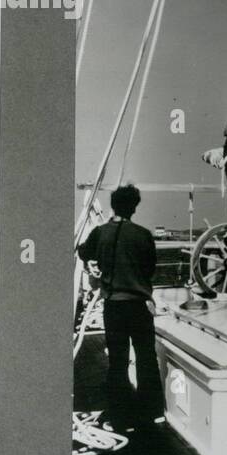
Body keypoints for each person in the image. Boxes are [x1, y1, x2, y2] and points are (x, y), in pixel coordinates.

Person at [77, 184, 164, 432]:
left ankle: (120, 416)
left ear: (113, 205)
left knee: (118, 361)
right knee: (147, 358)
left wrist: (97, 262)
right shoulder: (143, 234)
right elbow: (149, 268)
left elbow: (84, 253)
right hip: (140, 306)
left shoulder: (100, 233)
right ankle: (153, 412)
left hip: (114, 306)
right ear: (134, 207)